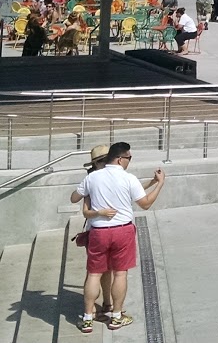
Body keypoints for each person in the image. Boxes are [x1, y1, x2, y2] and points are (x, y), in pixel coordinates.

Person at [74, 142, 165, 333]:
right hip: (122, 231)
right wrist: (160, 184)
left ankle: (88, 317)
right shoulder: (128, 178)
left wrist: (86, 192)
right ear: (121, 158)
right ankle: (116, 316)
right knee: (120, 273)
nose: (129, 162)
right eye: (129, 158)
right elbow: (145, 203)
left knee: (93, 274)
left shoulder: (92, 178)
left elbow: (75, 197)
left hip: (98, 232)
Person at [70, 145, 115, 321]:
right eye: (101, 161)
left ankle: (106, 304)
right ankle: (90, 312)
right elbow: (81, 206)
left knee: (105, 271)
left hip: (102, 231)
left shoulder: (103, 178)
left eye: (106, 160)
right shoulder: (92, 180)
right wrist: (100, 212)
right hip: (98, 230)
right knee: (96, 273)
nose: (105, 164)